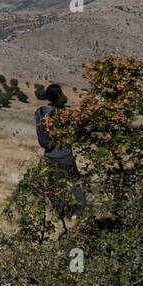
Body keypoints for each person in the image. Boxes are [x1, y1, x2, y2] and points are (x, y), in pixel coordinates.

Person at [35, 83, 87, 216]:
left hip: (50, 155)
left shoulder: (40, 112)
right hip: (65, 154)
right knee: (74, 183)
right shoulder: (65, 114)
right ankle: (80, 213)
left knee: (55, 185)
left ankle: (61, 214)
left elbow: (42, 137)